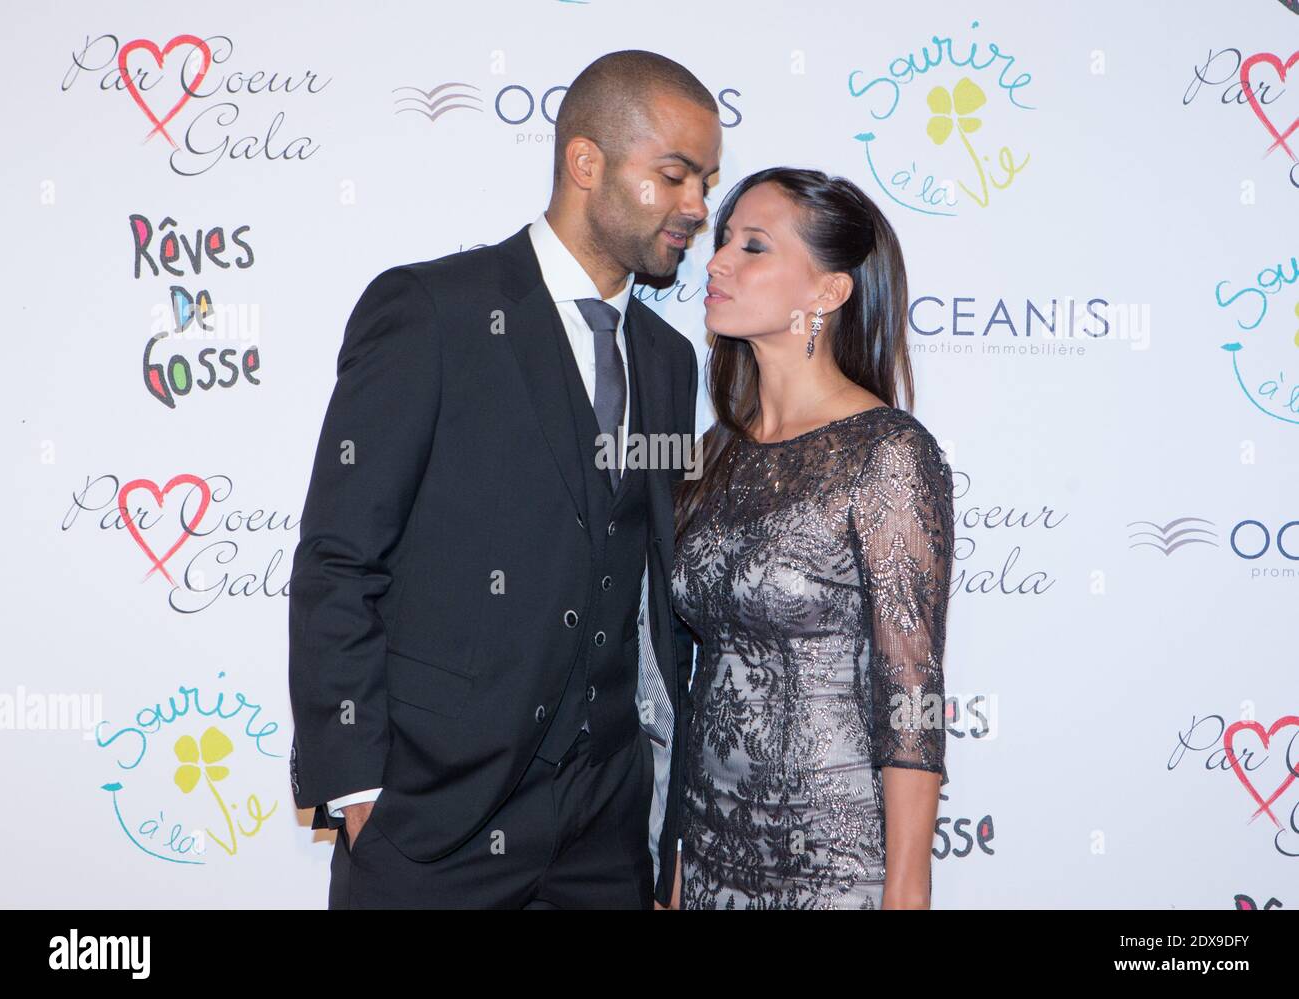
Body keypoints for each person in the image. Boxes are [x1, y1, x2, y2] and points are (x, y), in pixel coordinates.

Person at [287, 49, 720, 908]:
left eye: (704, 183)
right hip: (433, 817)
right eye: (673, 176)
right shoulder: (433, 312)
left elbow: (645, 583)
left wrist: (664, 816)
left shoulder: (668, 359)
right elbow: (339, 557)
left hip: (604, 833)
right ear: (586, 161)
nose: (696, 208)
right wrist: (359, 784)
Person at [669, 167, 955, 909]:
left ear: (828, 292)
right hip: (705, 852)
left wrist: (908, 888)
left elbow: (912, 689)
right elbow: (685, 674)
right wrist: (671, 854)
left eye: (753, 246)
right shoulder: (711, 455)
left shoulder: (887, 453)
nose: (716, 261)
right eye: (723, 240)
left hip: (832, 860)